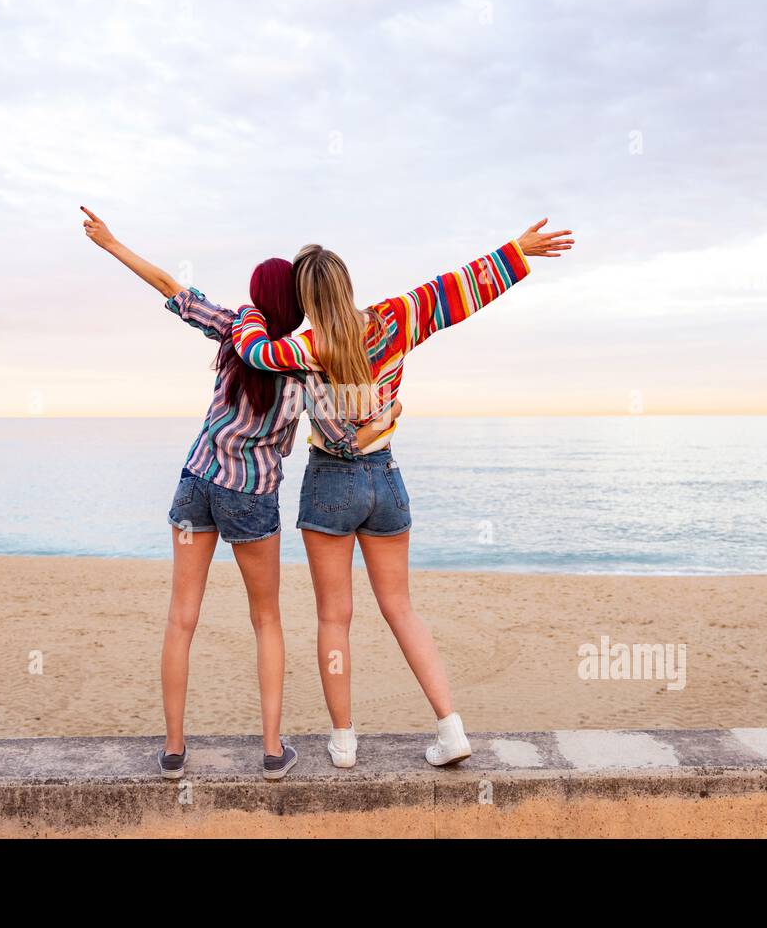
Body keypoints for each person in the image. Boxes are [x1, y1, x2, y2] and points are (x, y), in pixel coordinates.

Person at [231, 221, 574, 766]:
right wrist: (516, 252)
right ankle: (451, 728)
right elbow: (456, 290)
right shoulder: (396, 320)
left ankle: (343, 743)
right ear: (347, 284)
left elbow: (251, 351)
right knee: (402, 610)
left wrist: (252, 312)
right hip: (385, 479)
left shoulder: (304, 347)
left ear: (305, 299)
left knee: (332, 618)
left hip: (329, 484)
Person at [80, 206, 399, 780]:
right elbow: (341, 441)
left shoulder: (235, 330)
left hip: (195, 484)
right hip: (250, 496)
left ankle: (174, 750)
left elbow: (169, 287)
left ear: (258, 297)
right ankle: (273, 751)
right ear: (299, 306)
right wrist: (387, 418)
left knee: (181, 618)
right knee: (266, 620)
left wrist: (110, 243)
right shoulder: (305, 366)